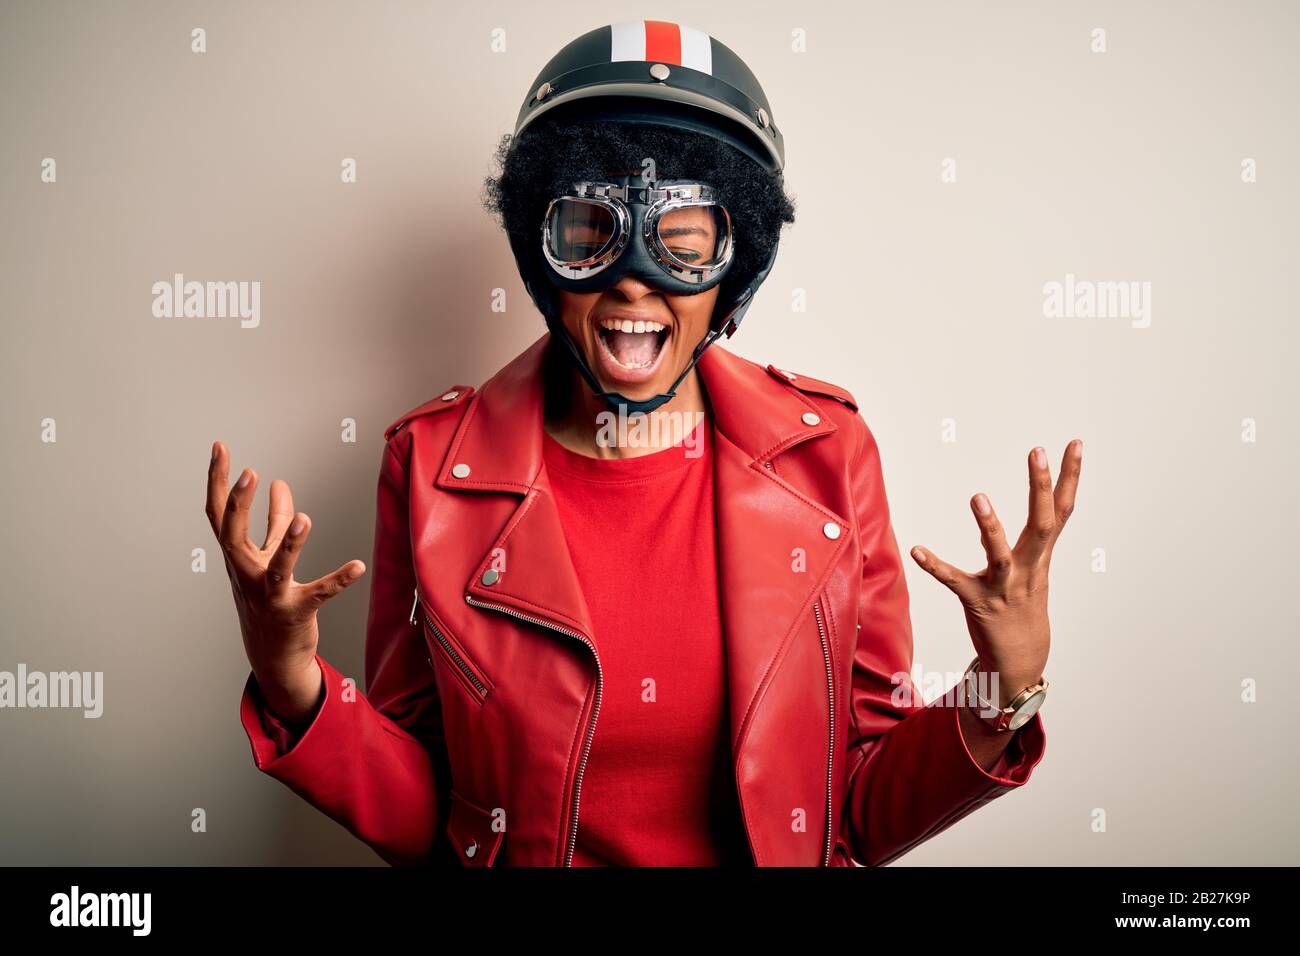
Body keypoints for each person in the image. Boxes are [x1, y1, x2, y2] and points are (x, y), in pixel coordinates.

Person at [206, 19, 1081, 867]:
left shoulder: (830, 456)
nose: (634, 275)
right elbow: (435, 821)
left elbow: (854, 812)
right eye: (590, 232)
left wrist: (998, 691)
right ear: (539, 252)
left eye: (683, 241)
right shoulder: (431, 467)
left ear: (736, 267)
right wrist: (295, 685)